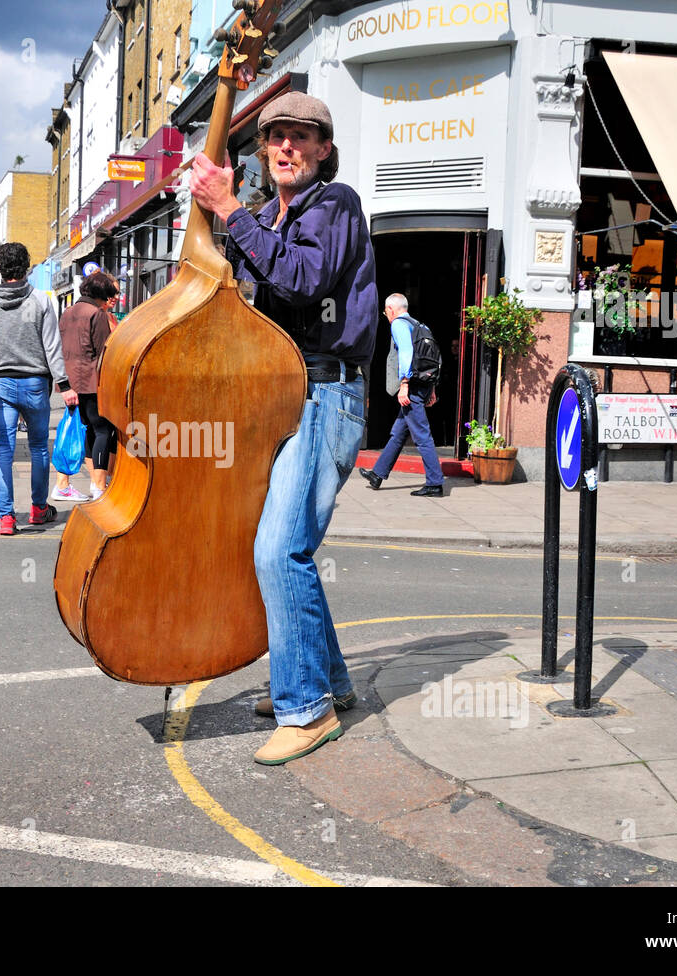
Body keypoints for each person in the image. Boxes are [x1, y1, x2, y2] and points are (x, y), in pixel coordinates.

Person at [190, 91, 378, 766]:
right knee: (286, 546)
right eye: (276, 138)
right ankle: (327, 680)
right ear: (264, 151)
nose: (287, 147)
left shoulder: (336, 205)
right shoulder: (268, 216)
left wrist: (230, 212)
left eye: (302, 137)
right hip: (284, 395)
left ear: (324, 149)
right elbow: (242, 288)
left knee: (278, 551)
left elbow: (302, 278)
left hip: (326, 392)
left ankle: (307, 710)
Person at [0, 242, 77, 536]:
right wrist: (64, 383)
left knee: (3, 451)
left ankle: (6, 517)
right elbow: (52, 346)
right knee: (39, 448)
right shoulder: (41, 301)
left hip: (2, 383)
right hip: (35, 383)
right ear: (26, 266)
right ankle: (38, 509)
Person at [358, 294, 444, 497]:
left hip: (412, 387)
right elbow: (432, 360)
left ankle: (435, 483)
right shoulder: (422, 326)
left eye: (385, 312)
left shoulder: (398, 324)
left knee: (422, 436)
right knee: (398, 433)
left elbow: (406, 353)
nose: (386, 315)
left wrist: (404, 384)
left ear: (390, 308)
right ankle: (377, 474)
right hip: (422, 385)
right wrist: (431, 389)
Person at [54, 271, 119, 503]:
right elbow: (104, 351)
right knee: (101, 430)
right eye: (108, 296)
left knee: (88, 429)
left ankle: (94, 483)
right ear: (101, 294)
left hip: (71, 382)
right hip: (92, 381)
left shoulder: (68, 312)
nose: (108, 301)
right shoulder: (96, 314)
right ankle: (99, 486)